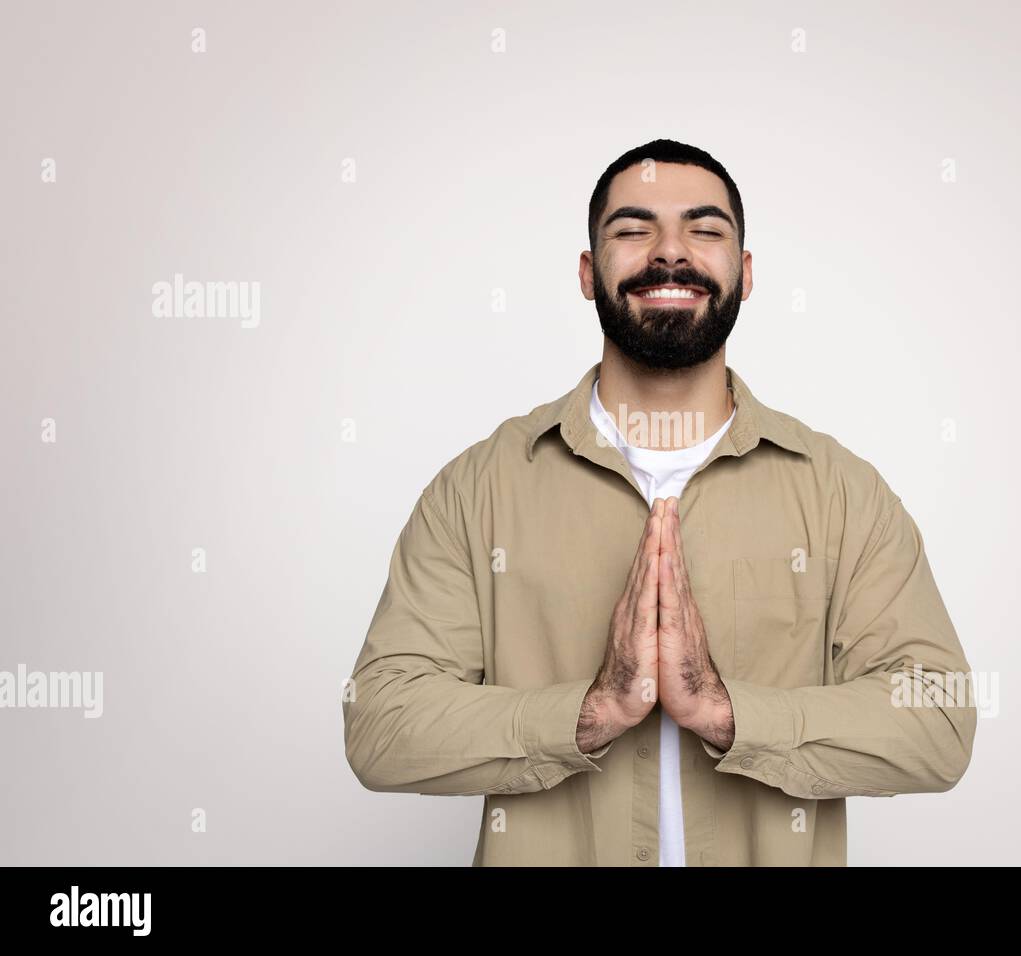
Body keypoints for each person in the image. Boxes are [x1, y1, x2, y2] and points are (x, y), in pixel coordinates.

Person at [342, 139, 977, 866]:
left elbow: (940, 718)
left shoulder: (841, 493)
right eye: (633, 229)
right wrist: (590, 713)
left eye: (705, 230)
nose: (670, 252)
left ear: (743, 273)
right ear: (589, 272)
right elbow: (380, 725)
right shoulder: (477, 488)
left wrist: (725, 712)